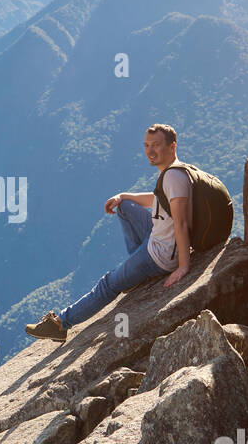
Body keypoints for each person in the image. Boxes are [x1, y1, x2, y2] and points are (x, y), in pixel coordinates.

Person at [25, 123, 228, 343]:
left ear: (172, 146)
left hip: (160, 254)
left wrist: (183, 267)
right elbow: (158, 201)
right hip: (159, 238)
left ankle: (61, 324)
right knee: (123, 206)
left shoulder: (172, 178)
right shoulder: (177, 171)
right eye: (147, 145)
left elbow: (179, 223)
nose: (150, 151)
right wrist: (123, 196)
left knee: (108, 284)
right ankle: (134, 273)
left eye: (156, 145)